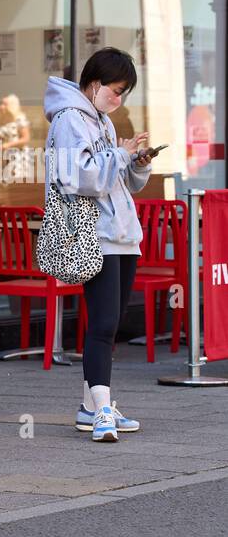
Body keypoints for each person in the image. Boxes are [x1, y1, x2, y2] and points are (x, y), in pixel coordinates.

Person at [43, 48, 154, 443]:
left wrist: (136, 161)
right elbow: (81, 179)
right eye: (117, 90)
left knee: (111, 324)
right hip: (97, 234)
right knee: (103, 325)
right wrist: (120, 155)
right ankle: (102, 410)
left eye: (124, 92)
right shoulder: (71, 120)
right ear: (94, 84)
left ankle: (91, 407)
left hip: (122, 234)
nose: (119, 99)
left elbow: (119, 181)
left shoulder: (101, 120)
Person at [0, 93, 31, 182]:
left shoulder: (20, 119)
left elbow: (26, 138)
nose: (1, 107)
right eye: (2, 104)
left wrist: (8, 145)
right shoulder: (3, 120)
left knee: (17, 182)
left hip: (19, 157)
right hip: (6, 157)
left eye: (4, 104)